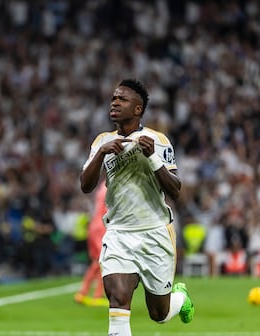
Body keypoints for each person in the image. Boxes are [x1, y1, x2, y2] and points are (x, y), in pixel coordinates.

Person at [80, 78, 194, 335]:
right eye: (113, 98)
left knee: (159, 314)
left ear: (138, 109)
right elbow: (85, 186)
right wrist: (101, 154)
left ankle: (180, 299)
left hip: (154, 232)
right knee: (118, 301)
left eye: (122, 99)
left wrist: (152, 157)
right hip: (119, 234)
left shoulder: (158, 140)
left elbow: (175, 190)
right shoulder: (102, 141)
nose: (115, 103)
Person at [74, 179, 108, 307]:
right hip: (102, 226)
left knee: (97, 261)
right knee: (103, 261)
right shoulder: (112, 185)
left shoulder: (101, 186)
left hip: (94, 224)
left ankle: (83, 293)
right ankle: (97, 296)